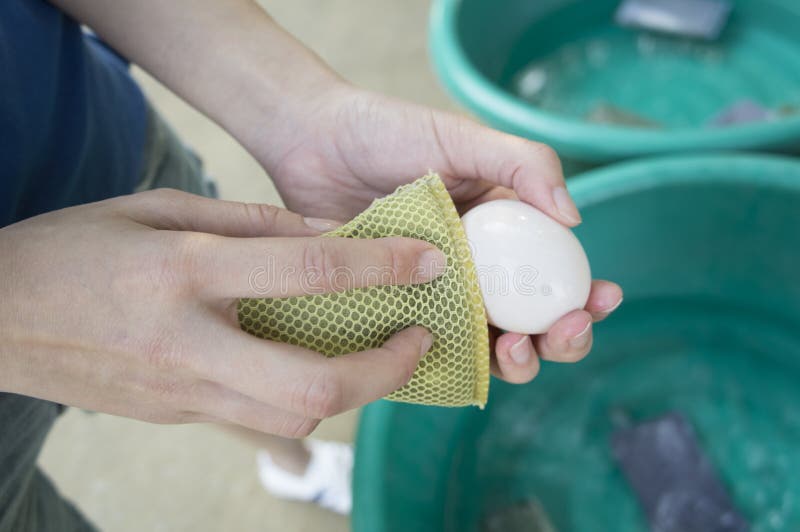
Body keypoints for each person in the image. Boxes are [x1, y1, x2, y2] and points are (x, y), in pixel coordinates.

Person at [0, 0, 624, 529]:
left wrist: (302, 115)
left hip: (91, 137)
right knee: (218, 359)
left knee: (235, 349)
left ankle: (294, 464)